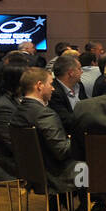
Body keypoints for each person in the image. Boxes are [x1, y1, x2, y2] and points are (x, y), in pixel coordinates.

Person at [13, 66, 77, 201]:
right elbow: (62, 151)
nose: (53, 88)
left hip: (33, 173)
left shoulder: (18, 111)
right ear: (39, 85)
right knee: (96, 165)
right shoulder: (44, 114)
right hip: (56, 175)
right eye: (51, 84)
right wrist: (78, 140)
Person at [48, 54, 87, 135]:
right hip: (68, 133)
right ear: (71, 73)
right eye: (79, 69)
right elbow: (65, 120)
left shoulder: (79, 85)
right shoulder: (53, 91)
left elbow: (87, 106)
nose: (82, 71)